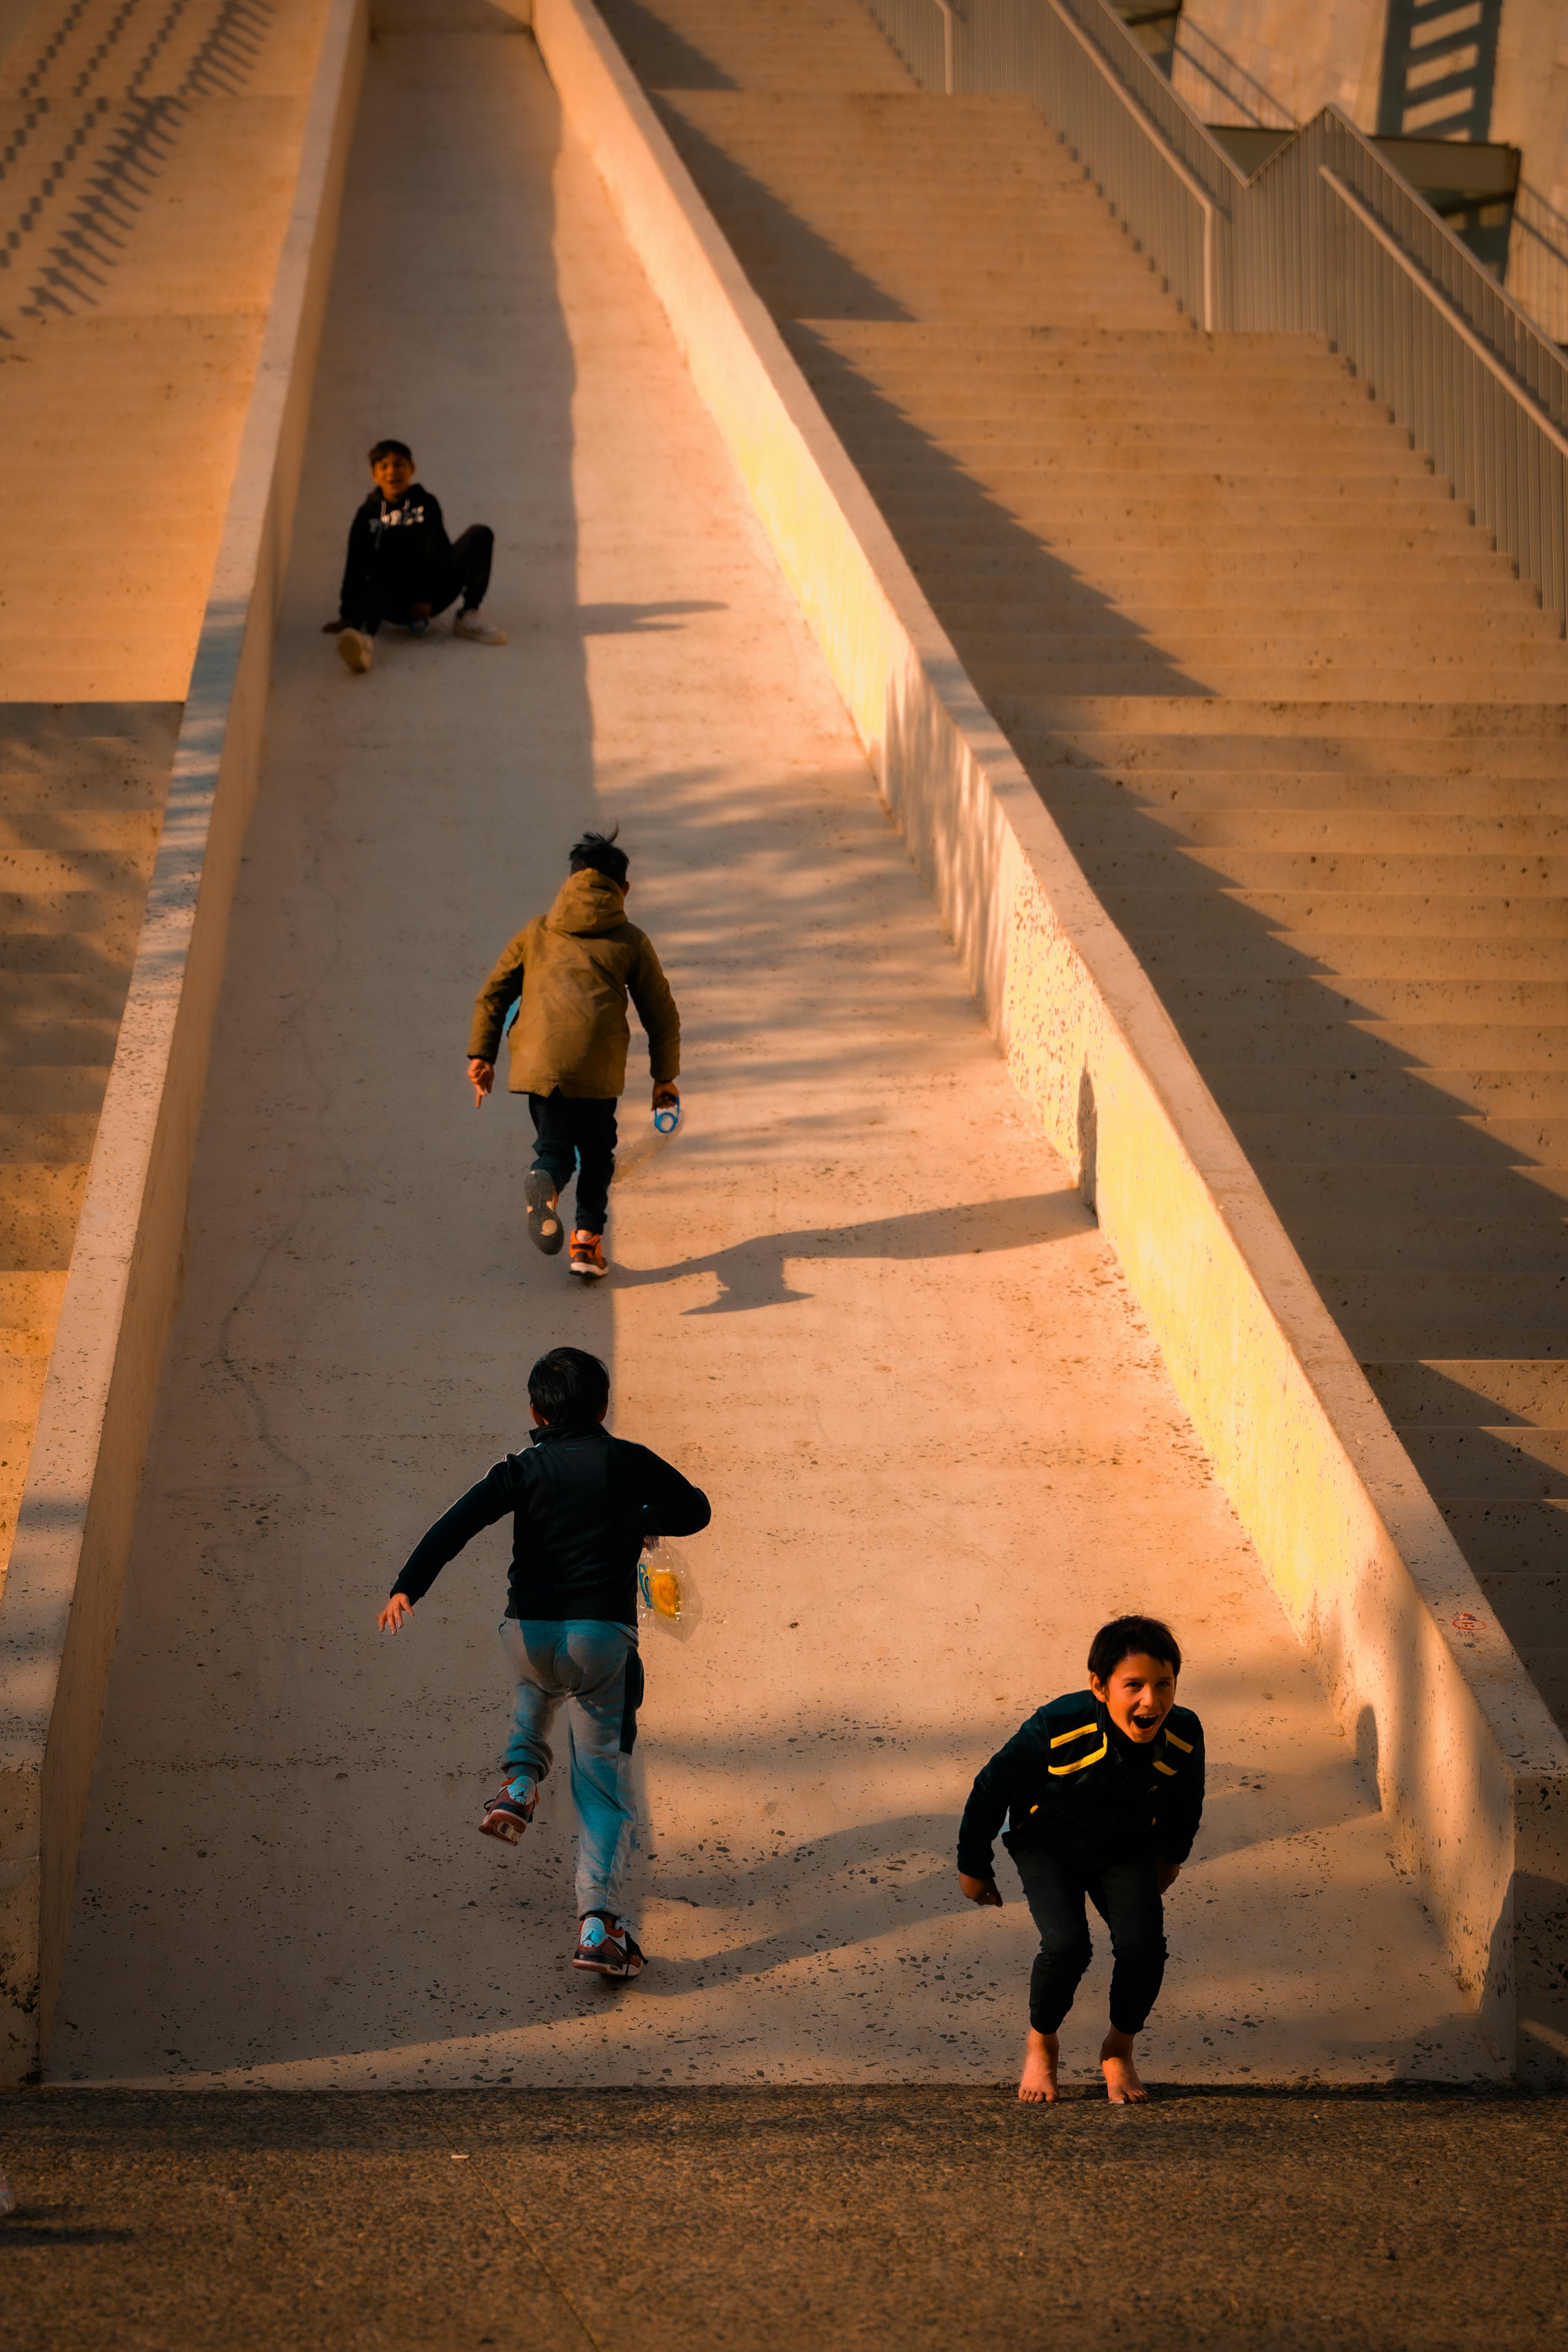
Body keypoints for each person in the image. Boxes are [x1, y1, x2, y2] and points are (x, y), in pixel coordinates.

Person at [379, 1346, 710, 1980]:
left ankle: (519, 1782)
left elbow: (454, 1525)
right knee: (600, 1793)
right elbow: (695, 1509)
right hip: (600, 1639)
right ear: (604, 1405)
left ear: (535, 1411)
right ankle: (598, 1926)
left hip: (526, 1631)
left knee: (537, 1687)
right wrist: (640, 1515)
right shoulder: (627, 1459)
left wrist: (407, 1587)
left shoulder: (521, 1468)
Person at [957, 1614, 1204, 2105]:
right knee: (1067, 1945)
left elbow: (1186, 1799)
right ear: (1099, 1685)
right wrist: (973, 1865)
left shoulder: (1183, 1732)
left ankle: (1118, 2048)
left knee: (1144, 1947)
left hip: (1127, 1845)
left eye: (1164, 1684)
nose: (1150, 1701)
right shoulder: (1056, 1725)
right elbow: (990, 1788)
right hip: (1046, 1842)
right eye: (1132, 1685)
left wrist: (1173, 1855)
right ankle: (1041, 2041)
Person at [467, 827, 680, 1280]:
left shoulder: (536, 931)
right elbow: (661, 1015)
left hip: (540, 1063)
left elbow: (493, 994)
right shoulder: (630, 940)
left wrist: (482, 1054)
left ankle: (545, 1180)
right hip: (596, 1067)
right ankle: (587, 1242)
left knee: (555, 1148)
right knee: (598, 1154)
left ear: (570, 881)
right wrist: (664, 1078)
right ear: (624, 888)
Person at [327, 438, 505, 674]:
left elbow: (438, 550)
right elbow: (356, 564)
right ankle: (364, 639)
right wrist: (346, 614)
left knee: (480, 535)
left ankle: (468, 616)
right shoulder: (367, 515)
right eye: (384, 466)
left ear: (412, 469)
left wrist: (426, 596)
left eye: (399, 465)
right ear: (375, 476)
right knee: (379, 560)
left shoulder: (427, 504)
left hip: (431, 597)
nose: (393, 472)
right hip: (389, 600)